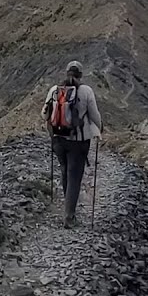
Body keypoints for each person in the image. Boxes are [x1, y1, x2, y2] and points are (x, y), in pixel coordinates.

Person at [41, 60, 102, 227]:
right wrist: (100, 130)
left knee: (65, 171)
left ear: (66, 72)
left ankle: (68, 206)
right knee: (74, 176)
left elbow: (44, 114)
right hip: (78, 141)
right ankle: (69, 216)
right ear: (80, 75)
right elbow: (95, 115)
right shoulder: (86, 91)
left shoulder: (55, 90)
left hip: (58, 139)